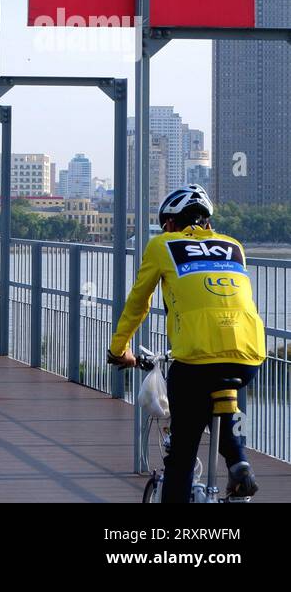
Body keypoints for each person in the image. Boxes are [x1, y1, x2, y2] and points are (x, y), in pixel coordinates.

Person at [107, 184, 266, 502]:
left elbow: (138, 303)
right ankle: (239, 463)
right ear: (207, 221)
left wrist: (118, 349)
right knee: (220, 401)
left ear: (170, 223)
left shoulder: (163, 245)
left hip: (195, 357)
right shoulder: (233, 245)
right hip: (249, 353)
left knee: (181, 455)